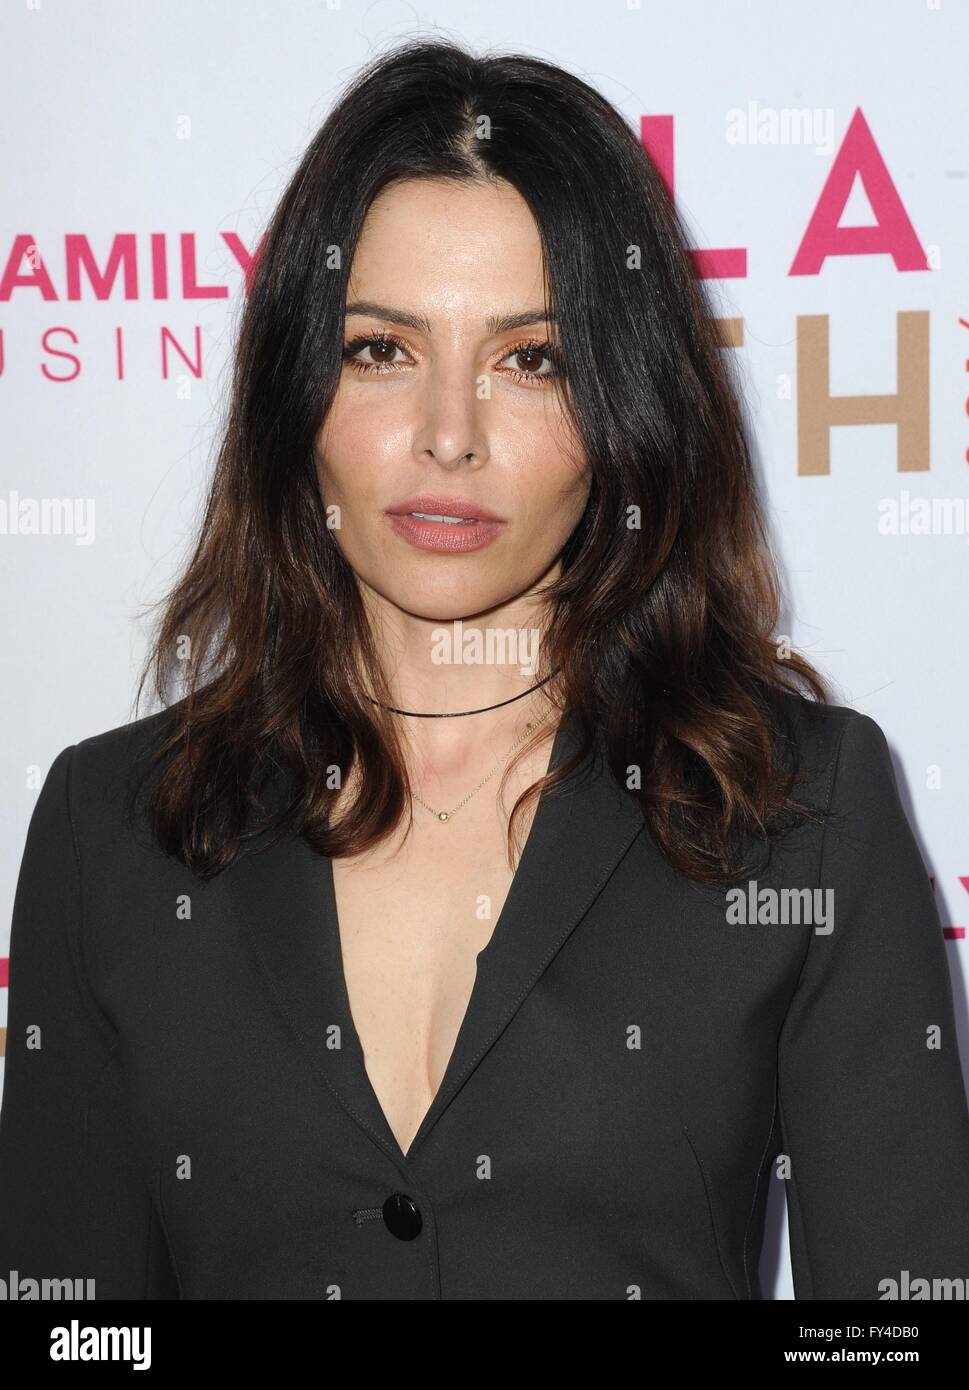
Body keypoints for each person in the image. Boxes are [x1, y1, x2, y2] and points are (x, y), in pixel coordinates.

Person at [2, 37, 968, 1302]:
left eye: (532, 360)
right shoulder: (113, 827)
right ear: (294, 387)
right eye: (381, 350)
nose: (448, 436)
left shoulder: (799, 814)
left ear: (627, 403)